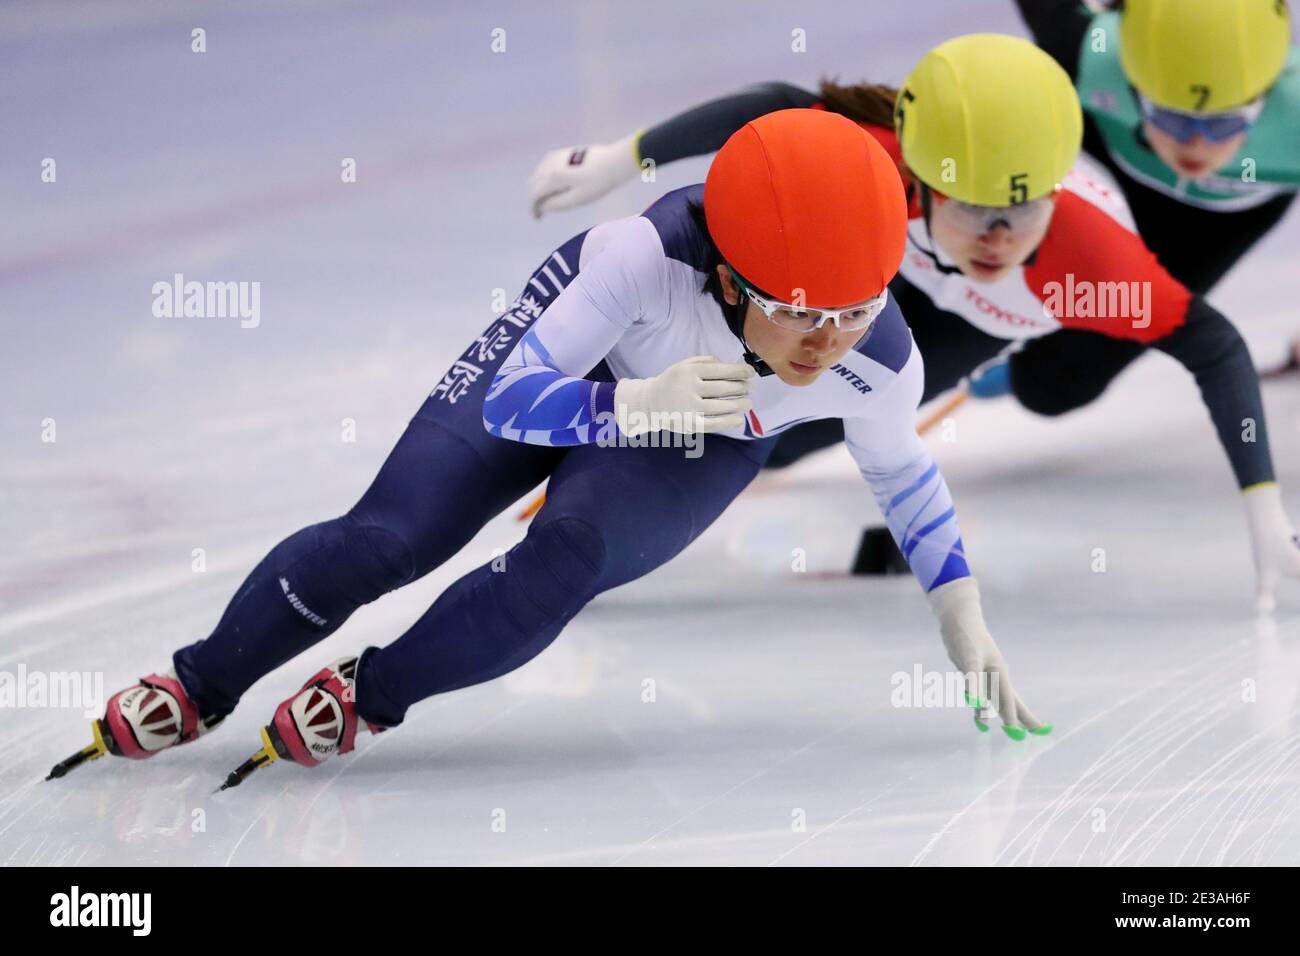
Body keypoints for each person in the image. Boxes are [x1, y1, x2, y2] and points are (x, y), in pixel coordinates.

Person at [49, 109, 1045, 791]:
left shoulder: (877, 358)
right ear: (733, 281)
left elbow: (905, 478)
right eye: (798, 313)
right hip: (590, 369)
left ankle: (373, 692)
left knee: (566, 557)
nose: (826, 341)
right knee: (389, 537)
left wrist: (959, 611)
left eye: (852, 308)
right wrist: (632, 405)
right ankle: (203, 677)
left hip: (698, 431)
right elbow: (520, 400)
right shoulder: (637, 261)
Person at [525, 32, 1300, 611]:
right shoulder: (886, 158)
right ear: (926, 178)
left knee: (782, 432)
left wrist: (1262, 504)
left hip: (974, 320)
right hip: (892, 260)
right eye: (973, 208)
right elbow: (772, 113)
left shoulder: (1090, 265)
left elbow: (1215, 347)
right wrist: (619, 159)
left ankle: (592, 522)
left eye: (1020, 213)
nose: (996, 238)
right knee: (724, 347)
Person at [1008, 0, 1300, 383]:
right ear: (1131, 79)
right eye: (1171, 117)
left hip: (1226, 217)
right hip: (1111, 175)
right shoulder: (1083, 50)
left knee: (1052, 382)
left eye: (1225, 124)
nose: (1196, 145)